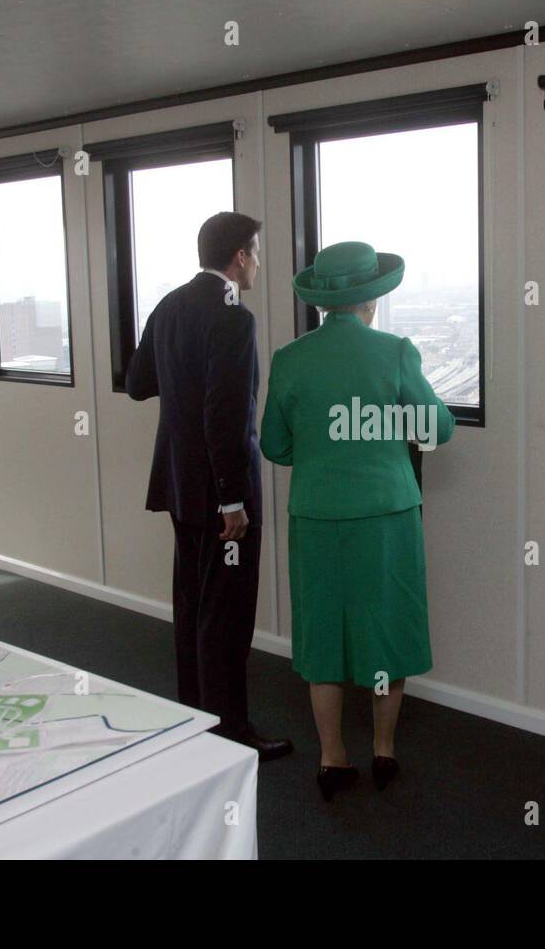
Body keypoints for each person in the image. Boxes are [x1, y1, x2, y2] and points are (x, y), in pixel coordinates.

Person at [259, 241, 454, 800]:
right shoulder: (395, 352)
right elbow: (437, 429)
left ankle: (332, 759)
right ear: (372, 300)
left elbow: (274, 445)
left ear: (322, 302)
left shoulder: (290, 358)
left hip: (317, 514)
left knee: (323, 635)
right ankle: (384, 751)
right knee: (386, 632)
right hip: (386, 516)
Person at [126, 211, 292, 763]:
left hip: (179, 486)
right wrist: (232, 499)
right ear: (240, 257)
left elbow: (137, 384)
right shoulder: (233, 318)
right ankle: (230, 733)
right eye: (256, 253)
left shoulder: (170, 304)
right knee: (226, 615)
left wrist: (182, 383)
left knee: (192, 605)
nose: (258, 264)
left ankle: (194, 721)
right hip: (224, 501)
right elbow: (226, 416)